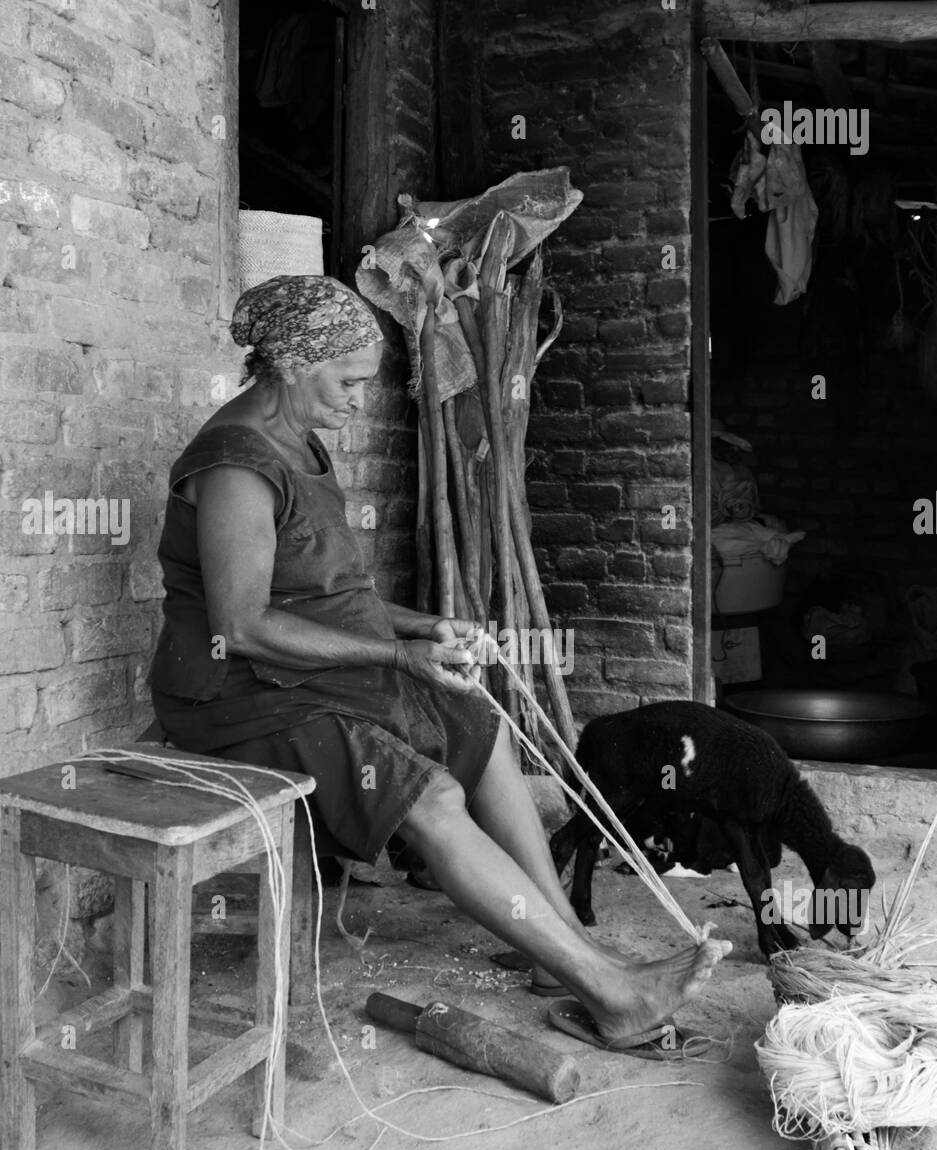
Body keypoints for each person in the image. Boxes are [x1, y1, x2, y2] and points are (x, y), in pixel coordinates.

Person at [149, 274, 728, 1054]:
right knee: (433, 796)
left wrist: (431, 626)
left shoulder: (300, 439)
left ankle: (559, 953)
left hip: (308, 672)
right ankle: (612, 994)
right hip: (239, 695)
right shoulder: (234, 467)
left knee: (478, 724)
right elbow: (245, 626)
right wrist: (399, 656)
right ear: (290, 364)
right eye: (349, 382)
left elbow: (329, 595)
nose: (359, 400)